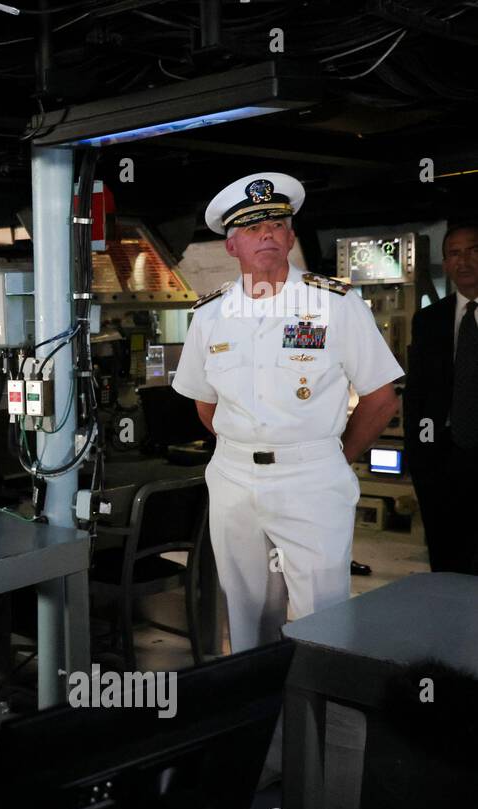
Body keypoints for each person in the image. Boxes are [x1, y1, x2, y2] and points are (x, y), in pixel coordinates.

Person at [172, 172, 403, 652]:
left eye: (277, 225)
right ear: (231, 245)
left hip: (312, 478)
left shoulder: (335, 304)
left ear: (291, 236)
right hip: (233, 478)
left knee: (325, 619)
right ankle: (262, 718)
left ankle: (320, 720)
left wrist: (332, 457)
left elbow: (382, 398)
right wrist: (246, 447)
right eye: (253, 228)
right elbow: (204, 402)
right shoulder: (209, 315)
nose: (268, 235)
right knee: (247, 615)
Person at [404, 221, 478, 574]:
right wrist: (419, 457)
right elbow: (416, 394)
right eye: (454, 253)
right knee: (447, 560)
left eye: (473, 250)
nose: (464, 261)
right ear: (446, 264)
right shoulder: (429, 320)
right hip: (442, 455)